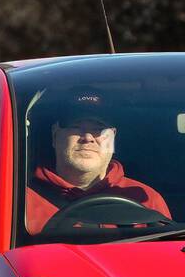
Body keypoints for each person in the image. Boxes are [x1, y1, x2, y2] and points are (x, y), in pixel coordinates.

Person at [24, 90, 170, 234]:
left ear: (112, 138)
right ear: (55, 135)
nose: (88, 137)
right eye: (76, 127)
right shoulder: (21, 201)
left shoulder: (147, 200)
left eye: (99, 129)